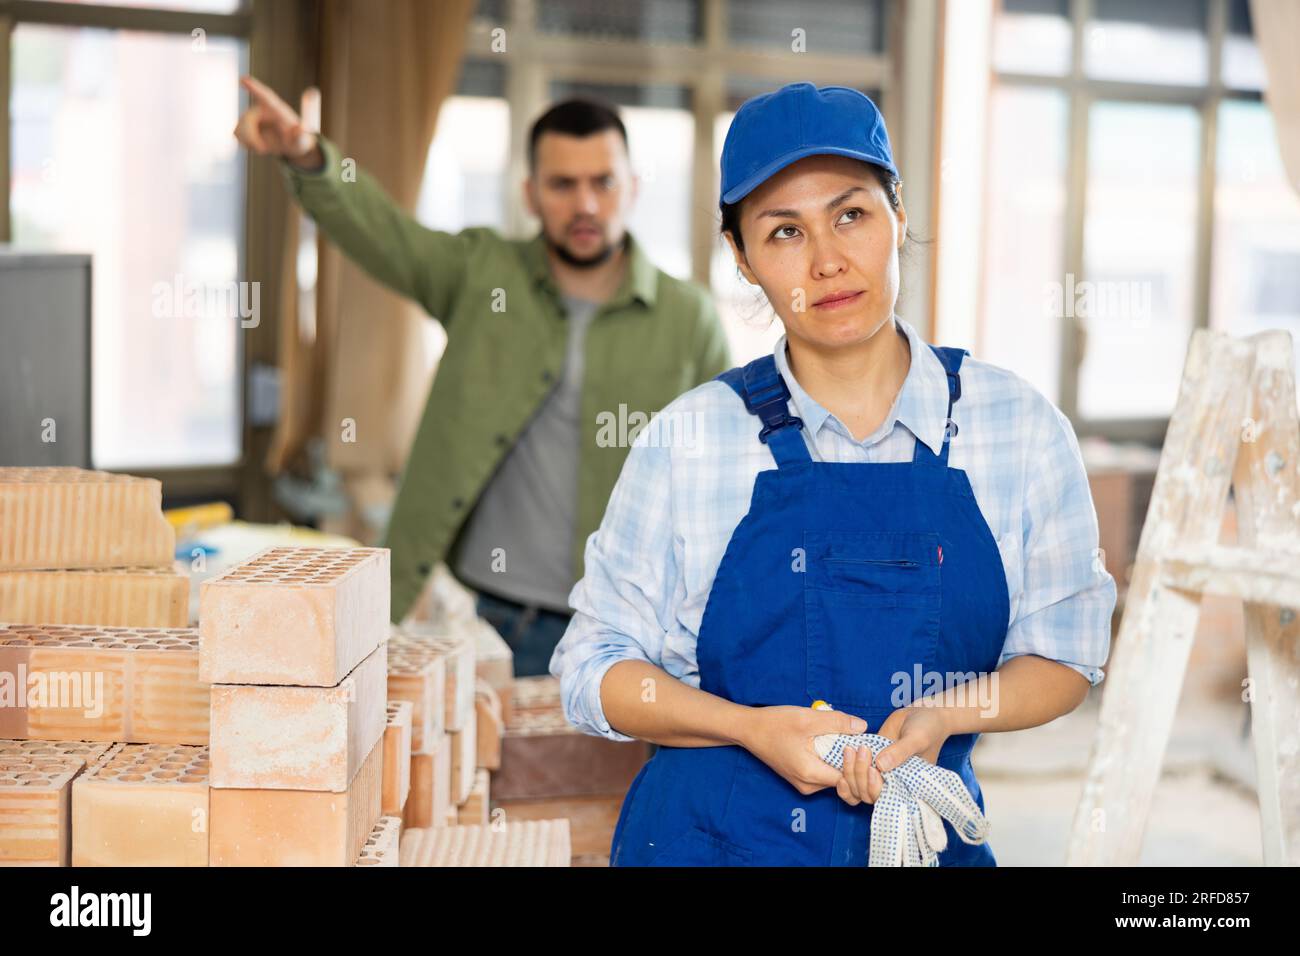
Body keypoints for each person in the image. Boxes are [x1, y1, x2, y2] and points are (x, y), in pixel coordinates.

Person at [549, 82, 1116, 866]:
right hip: (710, 841)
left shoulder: (1016, 427)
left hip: (918, 838)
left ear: (899, 218)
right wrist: (748, 727)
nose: (827, 261)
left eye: (851, 214)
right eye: (784, 232)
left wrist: (947, 713)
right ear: (743, 260)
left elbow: (1066, 652)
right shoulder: (691, 438)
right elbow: (593, 667)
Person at [233, 77, 732, 674]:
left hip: (627, 632)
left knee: (616, 774)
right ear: (529, 193)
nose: (586, 206)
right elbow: (384, 235)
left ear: (633, 187)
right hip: (490, 618)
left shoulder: (689, 319)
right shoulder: (482, 273)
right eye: (562, 184)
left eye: (603, 182)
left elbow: (723, 478)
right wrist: (307, 155)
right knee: (483, 768)